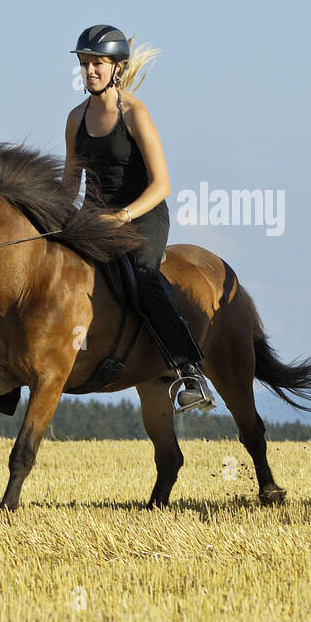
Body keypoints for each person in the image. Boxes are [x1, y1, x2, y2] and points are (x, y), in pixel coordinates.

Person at [61, 24, 215, 413]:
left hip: (142, 215)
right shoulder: (74, 119)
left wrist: (123, 216)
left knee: (143, 278)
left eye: (98, 63)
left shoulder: (135, 113)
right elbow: (68, 186)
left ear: (116, 68)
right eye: (85, 63)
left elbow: (162, 184)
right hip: (94, 220)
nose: (90, 70)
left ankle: (189, 371)